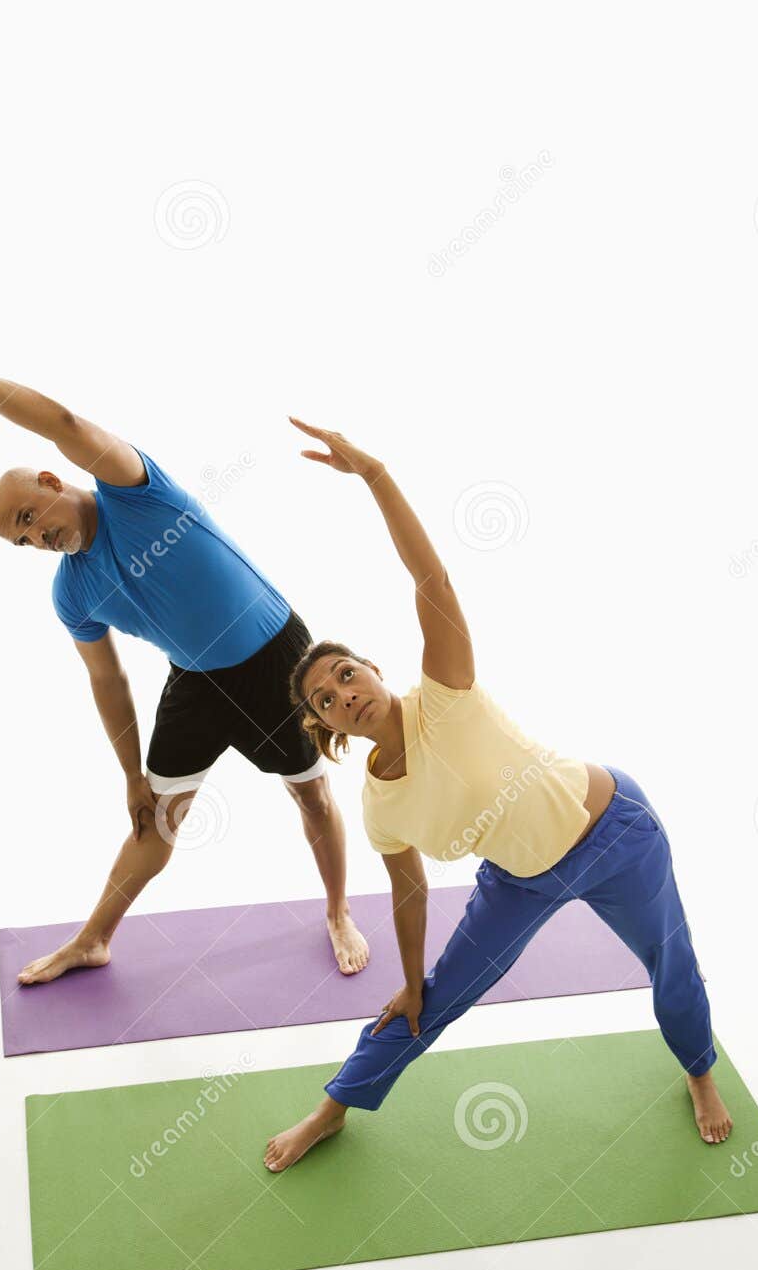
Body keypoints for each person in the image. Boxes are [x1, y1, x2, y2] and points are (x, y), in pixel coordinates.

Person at [263, 417, 732, 1171]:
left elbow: (432, 583)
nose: (341, 693)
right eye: (324, 699)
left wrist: (376, 476)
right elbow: (409, 894)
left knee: (670, 958)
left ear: (373, 671)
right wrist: (410, 982)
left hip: (615, 833)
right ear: (326, 729)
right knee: (426, 1001)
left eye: (345, 673)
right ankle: (331, 1111)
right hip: (518, 881)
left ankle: (699, 1074)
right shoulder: (380, 805)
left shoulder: (445, 693)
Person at [0, 323, 369, 980]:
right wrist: (131, 772)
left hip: (277, 660)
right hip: (196, 681)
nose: (36, 540)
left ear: (51, 481)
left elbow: (59, 418)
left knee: (310, 796)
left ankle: (336, 912)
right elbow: (106, 682)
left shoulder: (135, 492)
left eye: (28, 519)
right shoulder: (71, 593)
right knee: (154, 818)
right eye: (22, 543)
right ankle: (93, 940)